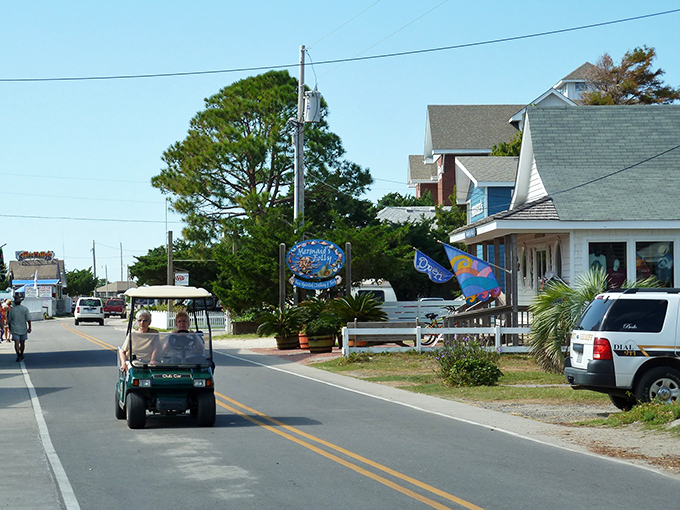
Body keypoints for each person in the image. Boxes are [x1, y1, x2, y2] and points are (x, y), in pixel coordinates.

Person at [8, 295, 32, 362]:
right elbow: (28, 319)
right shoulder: (25, 309)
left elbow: (9, 321)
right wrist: (30, 327)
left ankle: (18, 355)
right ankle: (21, 354)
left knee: (16, 342)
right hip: (23, 328)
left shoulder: (12, 310)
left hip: (14, 328)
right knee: (22, 342)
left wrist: (10, 329)